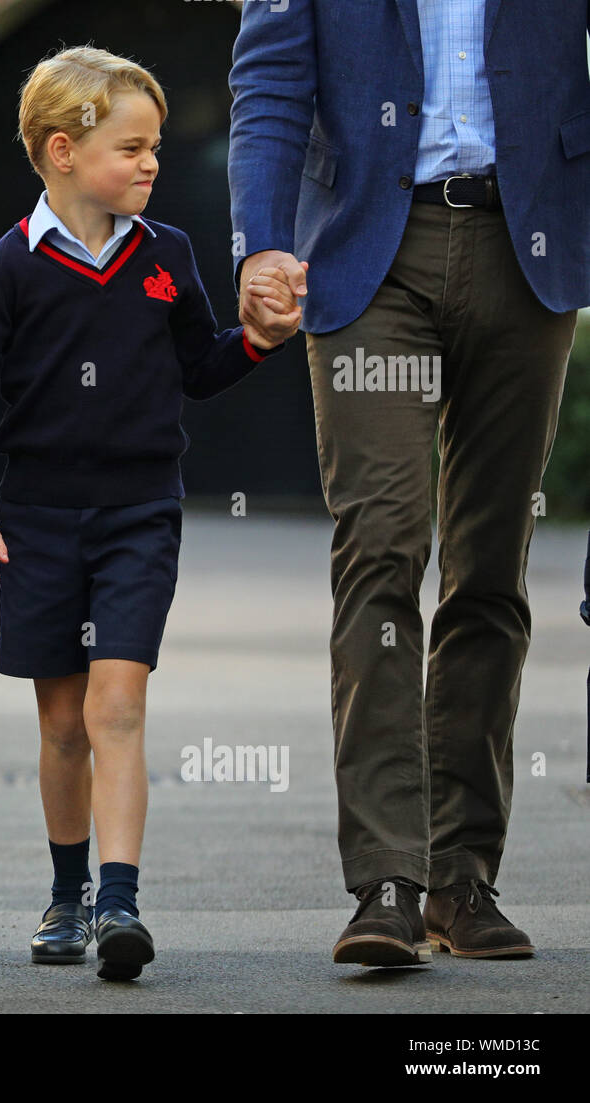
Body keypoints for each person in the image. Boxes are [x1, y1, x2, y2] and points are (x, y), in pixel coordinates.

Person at [229, 0, 590, 966]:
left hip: (531, 247)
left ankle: (465, 875)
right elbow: (268, 84)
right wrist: (261, 239)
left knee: (489, 567)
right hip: (365, 256)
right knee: (383, 545)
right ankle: (387, 877)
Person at [0, 46, 300, 981]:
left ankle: (123, 902)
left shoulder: (167, 256)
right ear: (63, 150)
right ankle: (68, 892)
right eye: (132, 148)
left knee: (116, 705)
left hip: (141, 513)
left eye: (157, 147)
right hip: (41, 519)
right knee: (61, 724)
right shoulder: (9, 269)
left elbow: (200, 369)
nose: (151, 164)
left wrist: (255, 341)